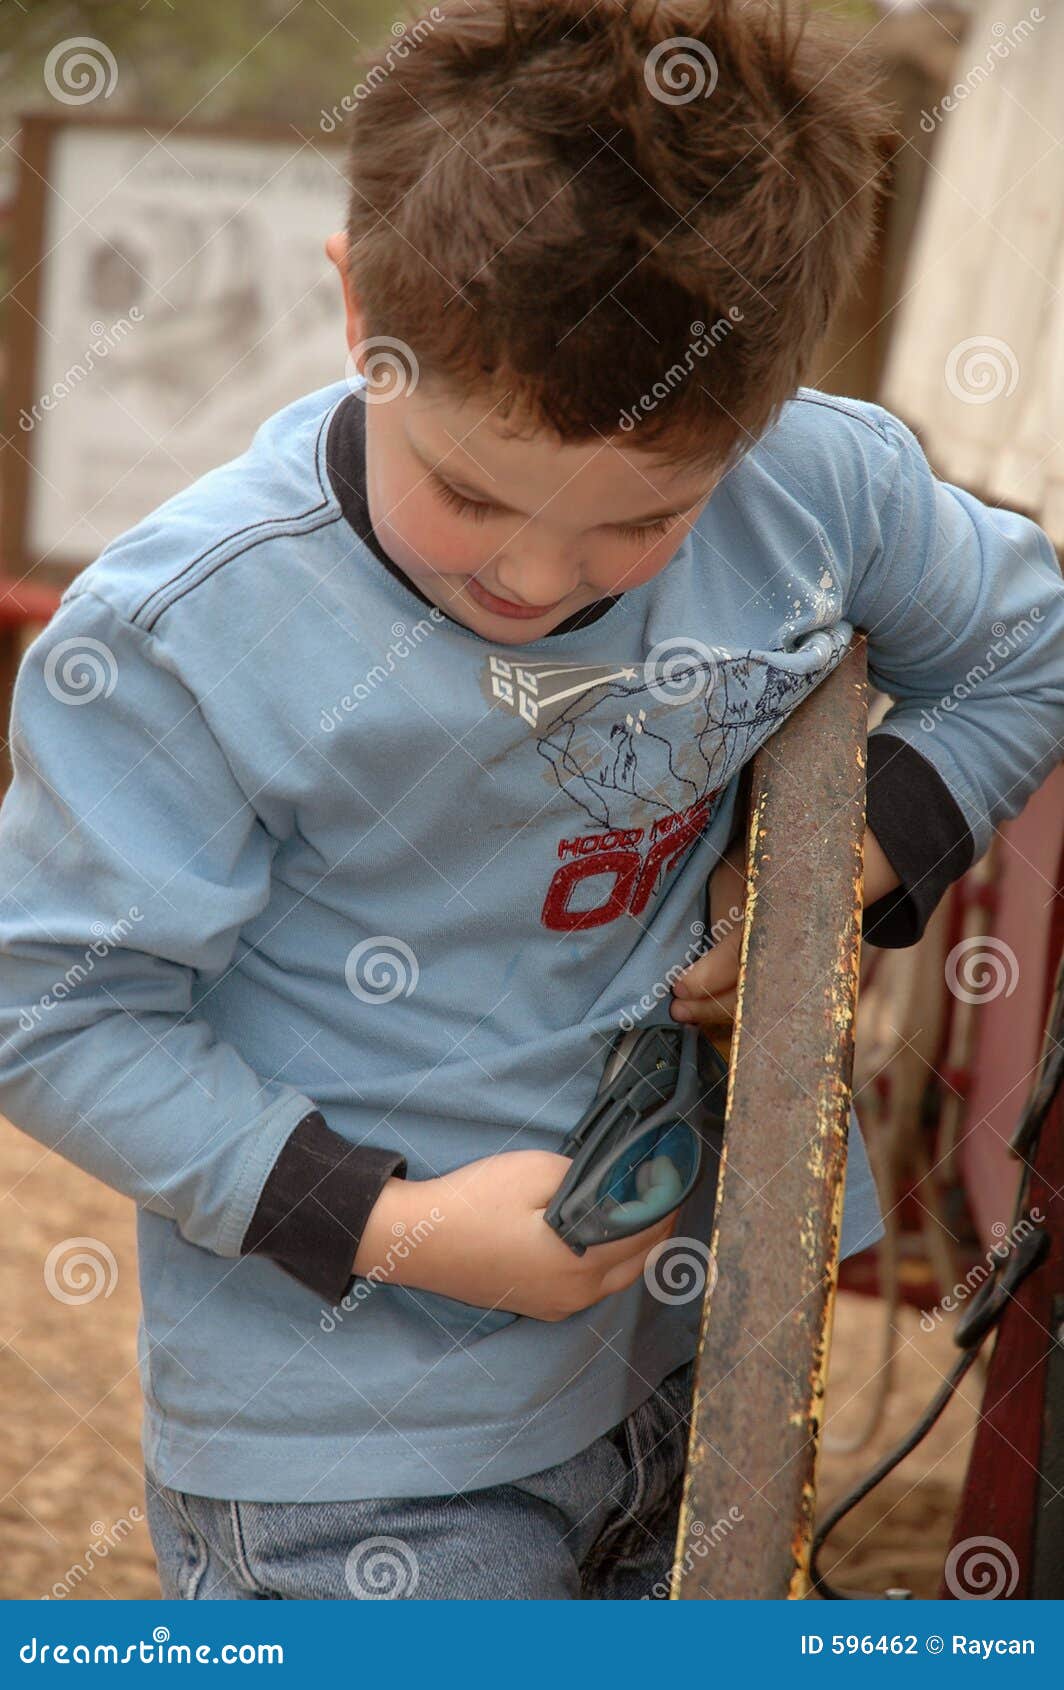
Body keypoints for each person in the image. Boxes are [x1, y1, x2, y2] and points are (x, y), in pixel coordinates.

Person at [0, 0, 1060, 1600]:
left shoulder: (818, 489)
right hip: (356, 1441)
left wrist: (845, 853)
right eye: (474, 492)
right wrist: (396, 1226)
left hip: (707, 1349)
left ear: (759, 411)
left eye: (643, 524)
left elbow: (1024, 641)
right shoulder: (183, 635)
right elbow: (52, 1008)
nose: (532, 573)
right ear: (361, 306)